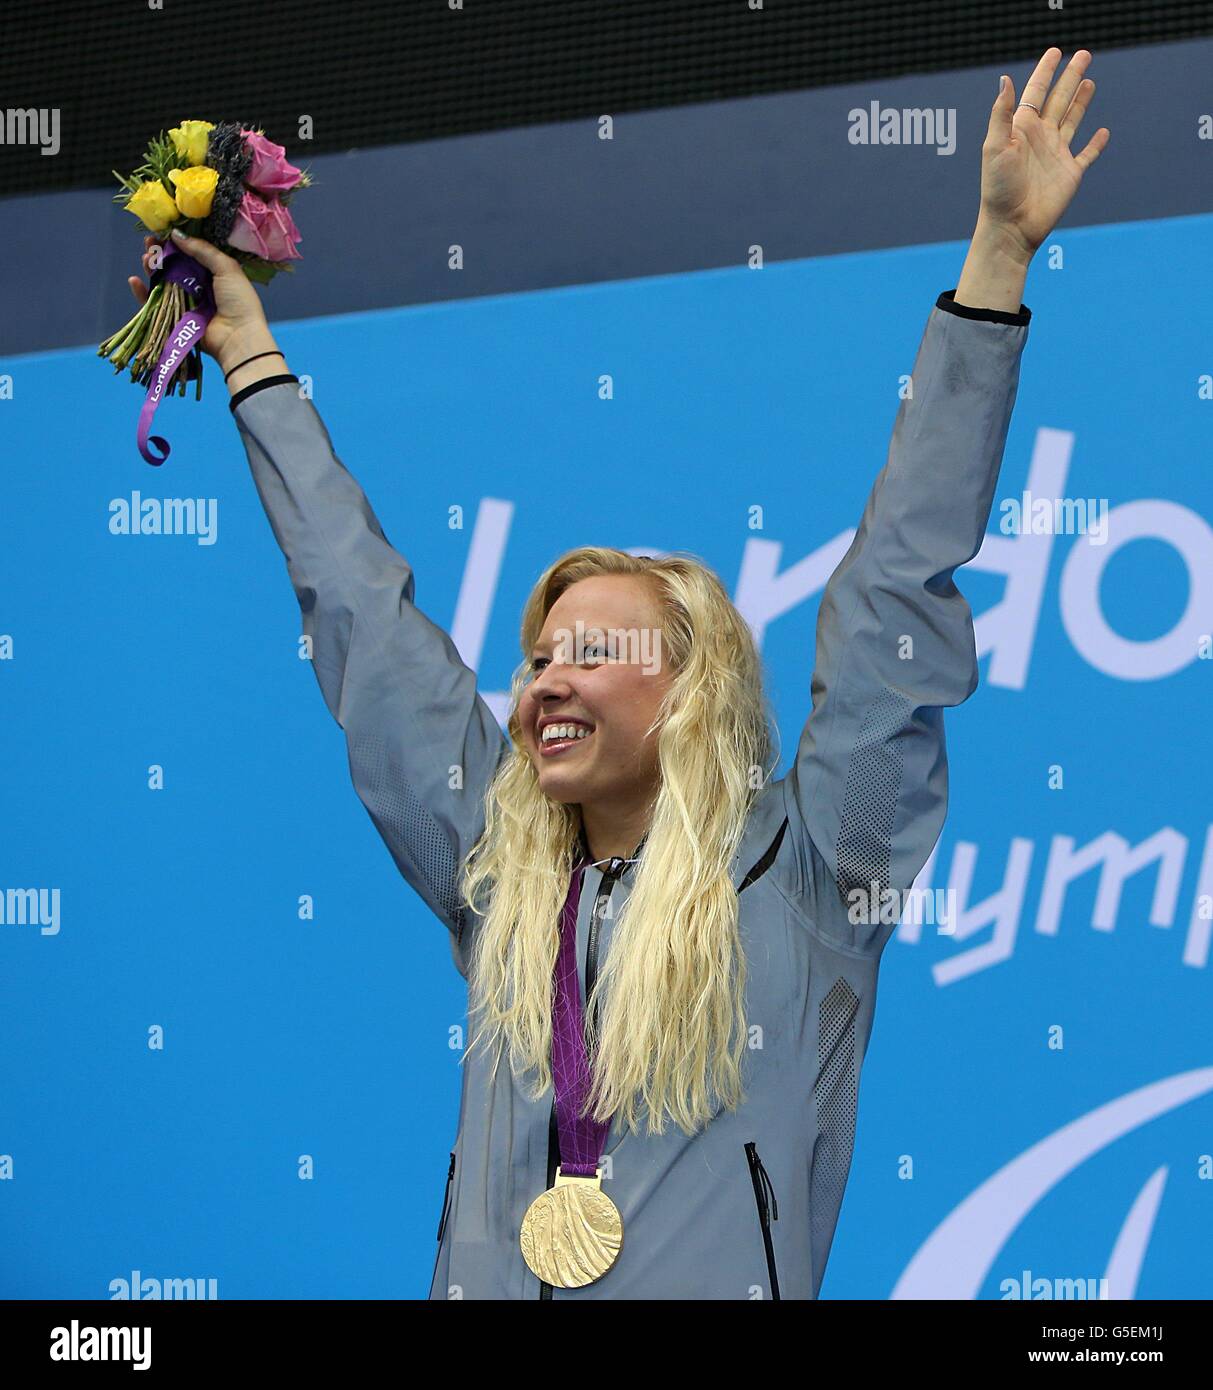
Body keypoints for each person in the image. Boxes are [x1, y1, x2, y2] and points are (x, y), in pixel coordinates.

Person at [131, 48, 1107, 1299]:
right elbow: (364, 621)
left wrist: (996, 262)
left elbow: (892, 591)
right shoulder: (499, 871)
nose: (545, 682)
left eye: (594, 652)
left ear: (689, 687)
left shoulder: (813, 869)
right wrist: (252, 353)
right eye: (538, 657)